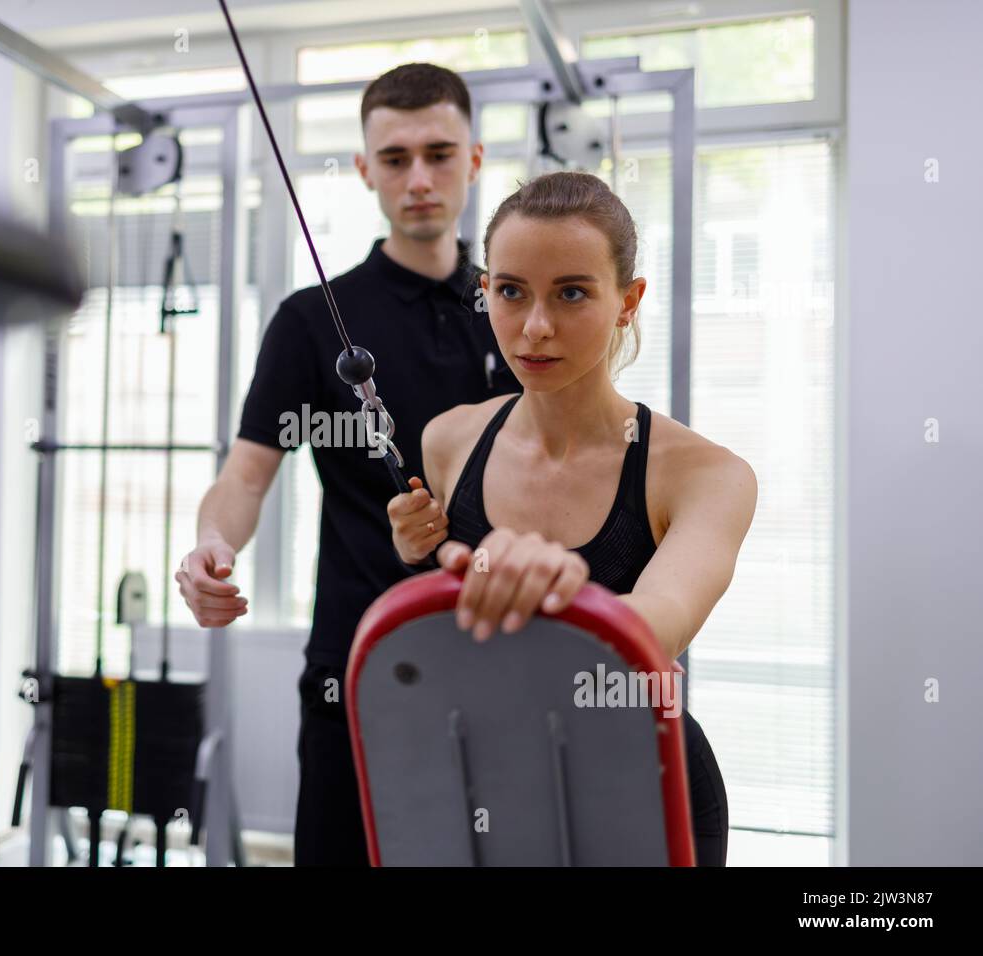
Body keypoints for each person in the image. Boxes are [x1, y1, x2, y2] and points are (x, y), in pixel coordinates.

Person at [174, 63, 521, 865]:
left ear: (474, 159)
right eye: (395, 159)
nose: (420, 179)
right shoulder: (309, 320)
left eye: (440, 153)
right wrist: (211, 549)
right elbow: (246, 475)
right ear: (364, 171)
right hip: (357, 667)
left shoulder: (514, 314)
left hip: (503, 662)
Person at [388, 170, 757, 866]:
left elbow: (661, 620)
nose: (534, 327)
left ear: (629, 301)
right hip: (481, 779)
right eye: (510, 291)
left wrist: (568, 597)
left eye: (573, 293)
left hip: (642, 783)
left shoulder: (706, 475)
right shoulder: (449, 440)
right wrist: (410, 547)